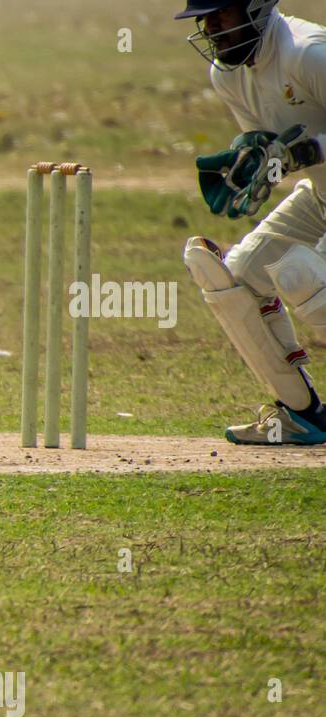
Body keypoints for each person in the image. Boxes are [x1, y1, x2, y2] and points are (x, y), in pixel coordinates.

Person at [178, 1, 326, 444]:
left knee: (302, 275)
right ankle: (304, 415)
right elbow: (271, 146)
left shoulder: (307, 54)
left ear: (256, 8)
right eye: (204, 20)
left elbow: (301, 149)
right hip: (321, 197)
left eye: (220, 15)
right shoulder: (227, 75)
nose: (210, 29)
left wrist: (308, 151)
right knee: (233, 278)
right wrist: (255, 162)